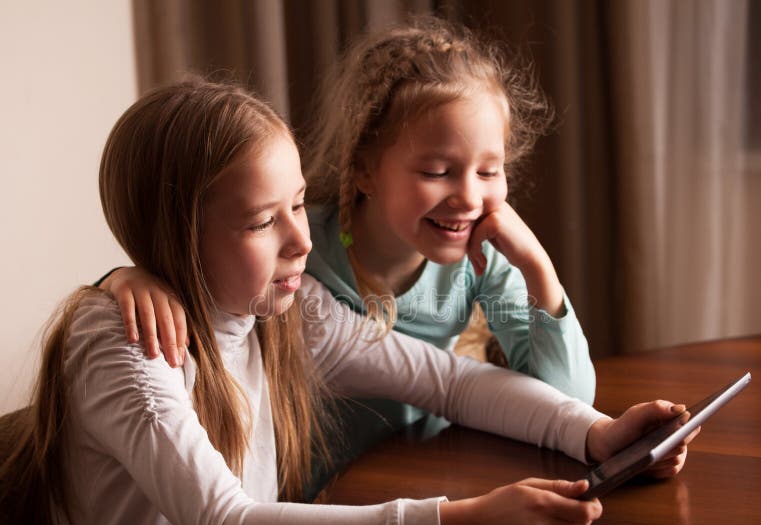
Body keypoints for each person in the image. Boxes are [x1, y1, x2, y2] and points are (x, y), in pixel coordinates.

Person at [0, 79, 697, 525]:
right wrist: (460, 524)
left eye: (299, 203)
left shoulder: (288, 312)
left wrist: (593, 432)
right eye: (260, 221)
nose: (302, 239)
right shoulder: (123, 338)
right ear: (176, 236)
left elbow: (448, 380)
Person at [101, 17, 596, 407]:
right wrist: (126, 277)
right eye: (437, 172)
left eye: (489, 173)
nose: (468, 198)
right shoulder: (300, 248)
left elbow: (568, 400)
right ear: (364, 171)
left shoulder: (483, 263)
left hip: (428, 487)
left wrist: (538, 268)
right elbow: (207, 283)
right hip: (320, 506)